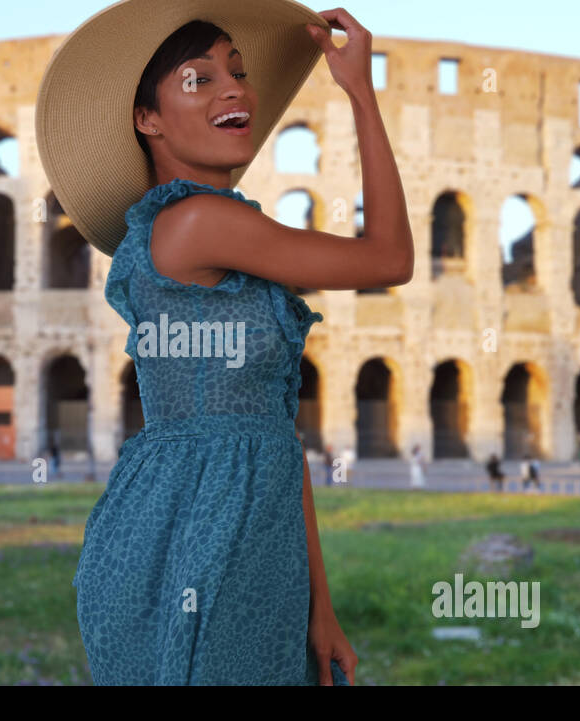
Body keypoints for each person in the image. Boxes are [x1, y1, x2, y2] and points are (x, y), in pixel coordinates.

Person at [39, 6, 399, 685]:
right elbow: (389, 258)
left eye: (237, 71)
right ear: (148, 118)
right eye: (198, 79)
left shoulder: (204, 231)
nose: (234, 88)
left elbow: (272, 438)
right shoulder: (200, 221)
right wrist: (359, 91)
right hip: (194, 543)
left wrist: (320, 607)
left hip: (251, 543)